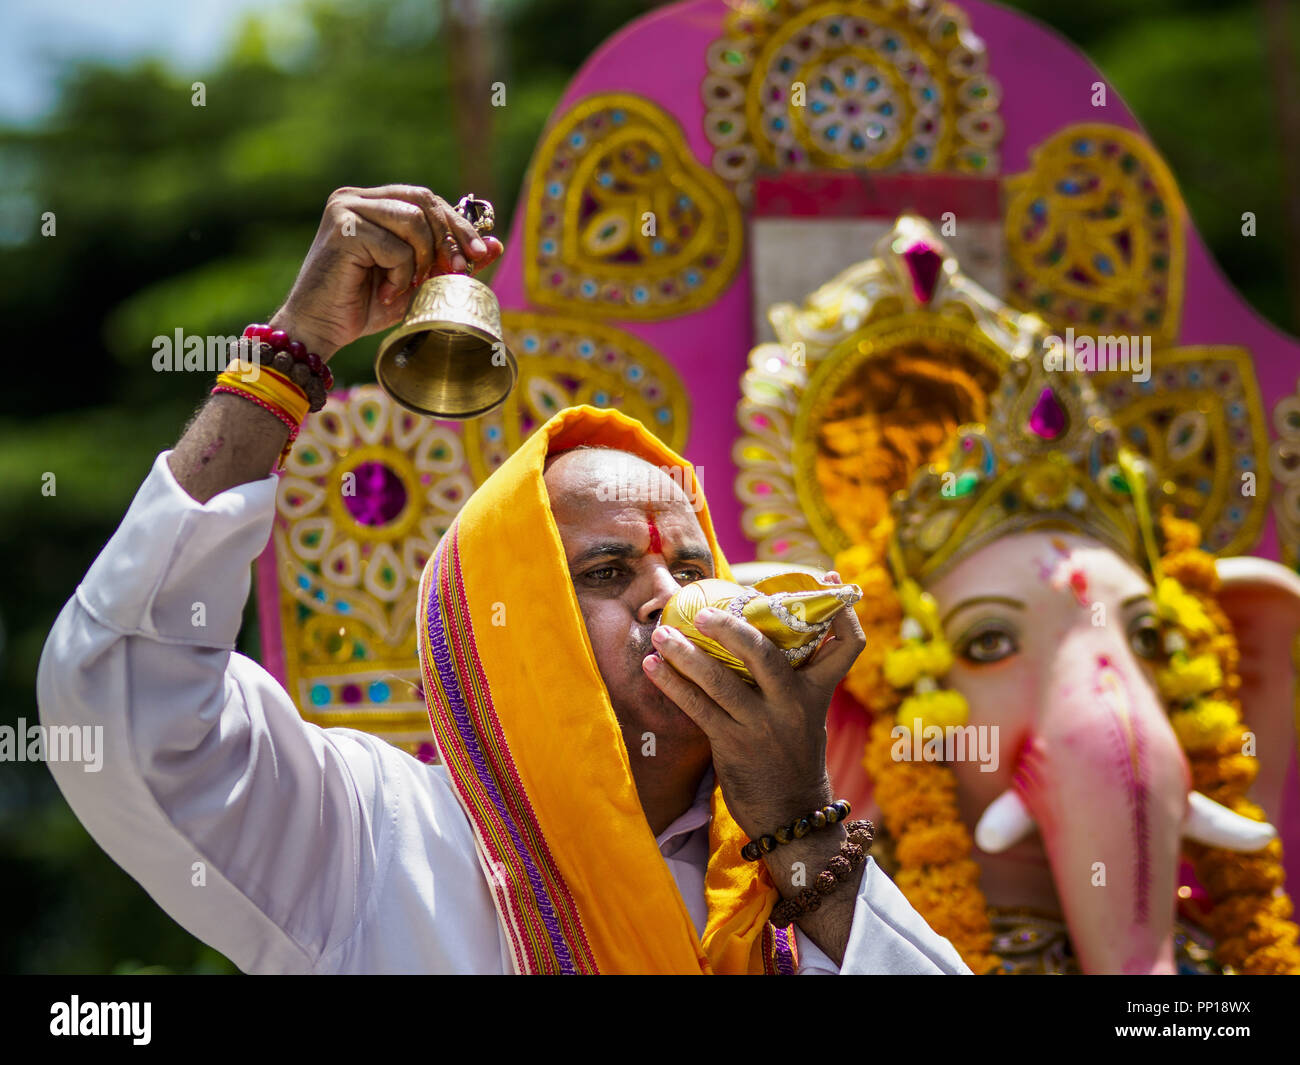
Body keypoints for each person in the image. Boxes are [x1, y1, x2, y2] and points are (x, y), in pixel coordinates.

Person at [36, 185, 970, 974]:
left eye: (690, 565)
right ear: (506, 629)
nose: (667, 593)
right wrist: (291, 352)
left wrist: (799, 828)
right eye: (608, 568)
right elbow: (123, 694)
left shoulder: (787, 869)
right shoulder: (374, 836)